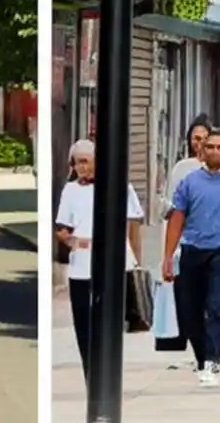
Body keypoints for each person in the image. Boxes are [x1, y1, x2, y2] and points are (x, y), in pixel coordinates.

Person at [162, 130, 220, 387]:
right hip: (192, 249)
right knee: (189, 312)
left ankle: (213, 360)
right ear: (202, 151)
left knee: (215, 307)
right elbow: (177, 218)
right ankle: (202, 357)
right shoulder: (189, 182)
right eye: (210, 147)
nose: (214, 151)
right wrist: (168, 256)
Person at [55, 139, 144, 383]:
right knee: (85, 328)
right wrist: (74, 241)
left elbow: (134, 225)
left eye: (85, 162)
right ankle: (91, 378)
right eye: (76, 163)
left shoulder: (119, 186)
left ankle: (109, 378)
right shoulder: (71, 190)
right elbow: (61, 228)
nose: (81, 168)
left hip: (114, 266)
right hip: (81, 268)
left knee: (111, 327)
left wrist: (136, 261)